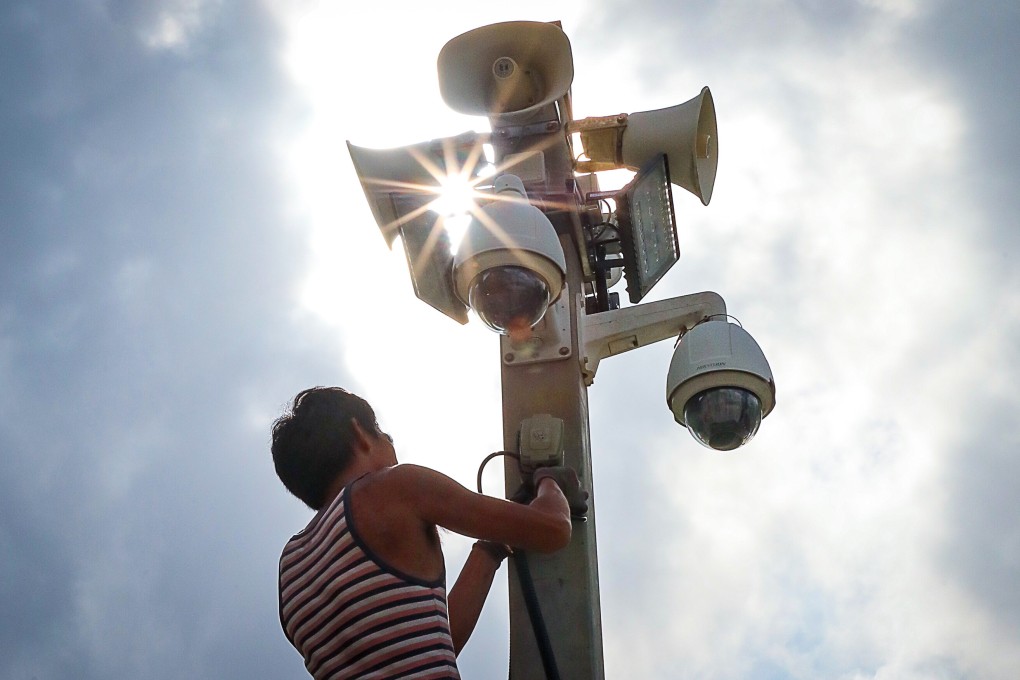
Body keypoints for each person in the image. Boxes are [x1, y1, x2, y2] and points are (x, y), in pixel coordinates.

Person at [272, 386, 587, 679]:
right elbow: (554, 529)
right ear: (360, 433)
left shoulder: (291, 568)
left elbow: (438, 642)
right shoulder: (393, 486)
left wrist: (490, 550)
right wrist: (550, 483)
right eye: (382, 433)